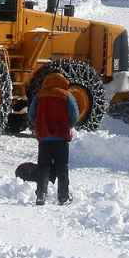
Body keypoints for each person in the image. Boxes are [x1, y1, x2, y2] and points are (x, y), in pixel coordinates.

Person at [28, 72, 79, 205]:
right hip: (61, 138)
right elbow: (74, 115)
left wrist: (39, 125)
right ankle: (63, 197)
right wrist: (69, 125)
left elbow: (31, 114)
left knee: (43, 167)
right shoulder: (67, 96)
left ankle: (41, 195)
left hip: (44, 138)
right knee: (62, 168)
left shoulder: (39, 96)